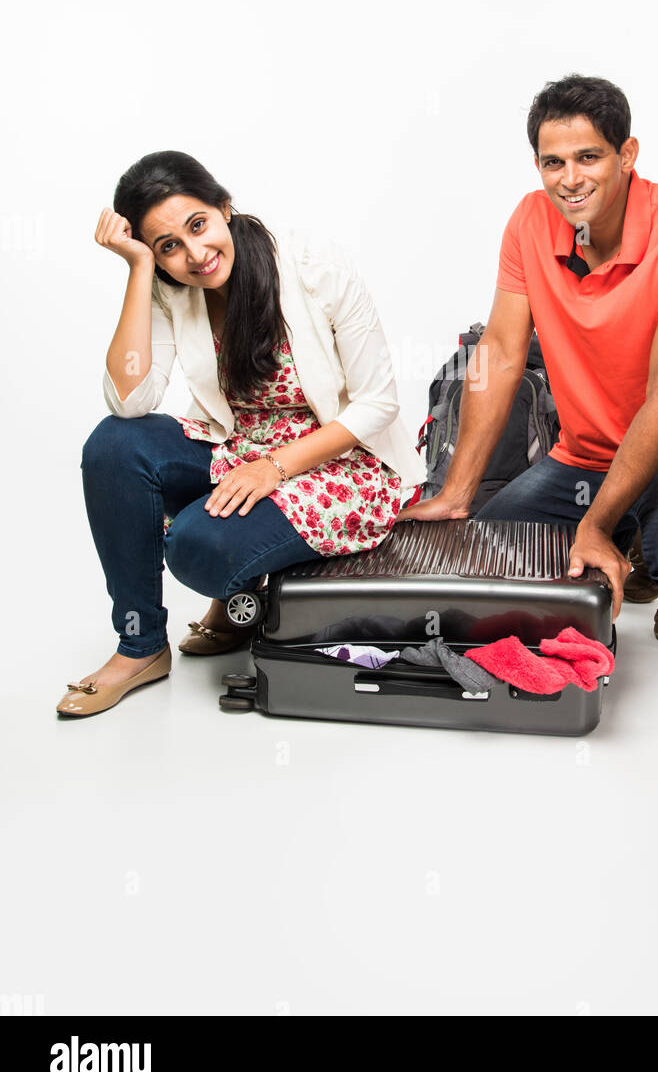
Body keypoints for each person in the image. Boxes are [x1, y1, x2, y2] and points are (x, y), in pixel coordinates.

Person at [59, 151, 425, 717]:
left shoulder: (311, 264)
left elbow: (377, 403)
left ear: (224, 207)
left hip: (340, 460)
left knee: (195, 546)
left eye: (198, 226)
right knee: (113, 446)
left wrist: (273, 468)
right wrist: (137, 270)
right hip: (238, 445)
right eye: (168, 247)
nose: (195, 255)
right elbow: (130, 401)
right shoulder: (168, 284)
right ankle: (140, 647)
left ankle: (238, 593)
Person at [398, 73, 658, 645]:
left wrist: (593, 525)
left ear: (627, 154)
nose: (569, 180)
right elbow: (501, 351)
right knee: (483, 556)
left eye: (588, 157)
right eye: (552, 163)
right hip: (586, 455)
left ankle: (653, 551)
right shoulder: (529, 220)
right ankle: (628, 522)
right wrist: (457, 493)